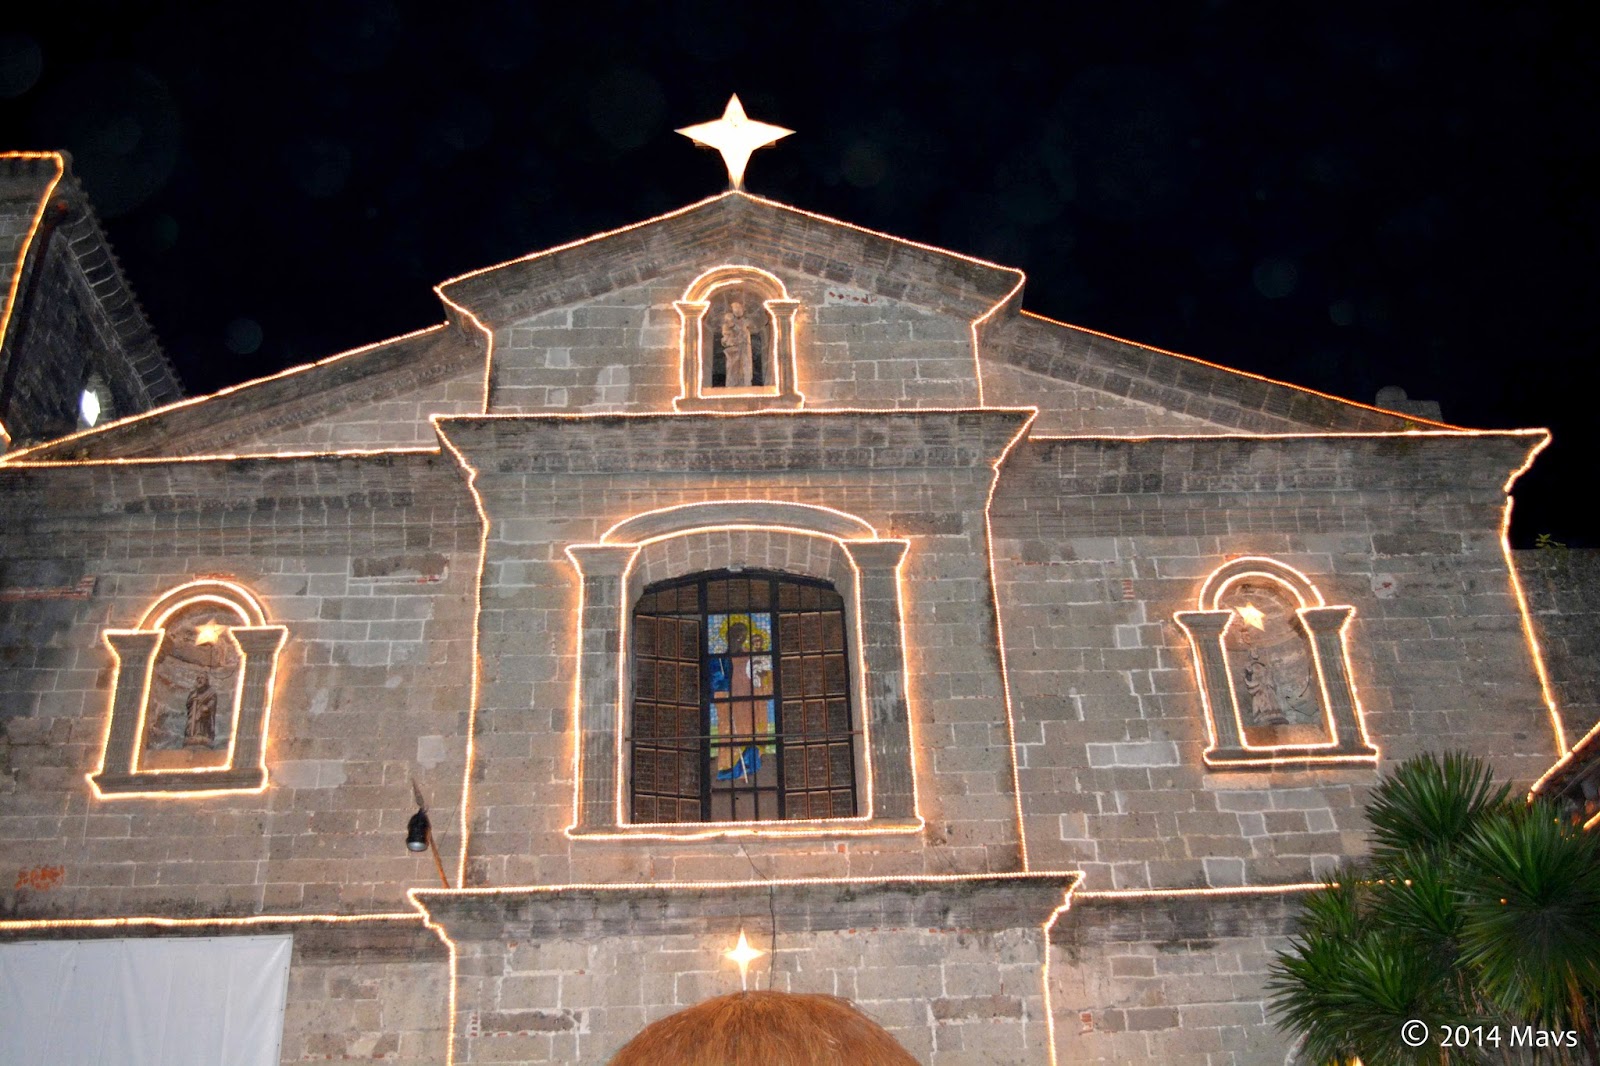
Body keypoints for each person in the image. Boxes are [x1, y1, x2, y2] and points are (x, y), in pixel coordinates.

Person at [184, 673, 218, 746]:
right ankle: (191, 735)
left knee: (202, 724)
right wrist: (192, 699)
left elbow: (212, 702)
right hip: (193, 713)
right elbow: (188, 704)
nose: (199, 680)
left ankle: (203, 735)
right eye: (198, 678)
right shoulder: (194, 692)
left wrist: (207, 707)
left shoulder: (211, 692)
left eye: (202, 678)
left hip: (204, 715)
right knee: (191, 724)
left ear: (206, 681)